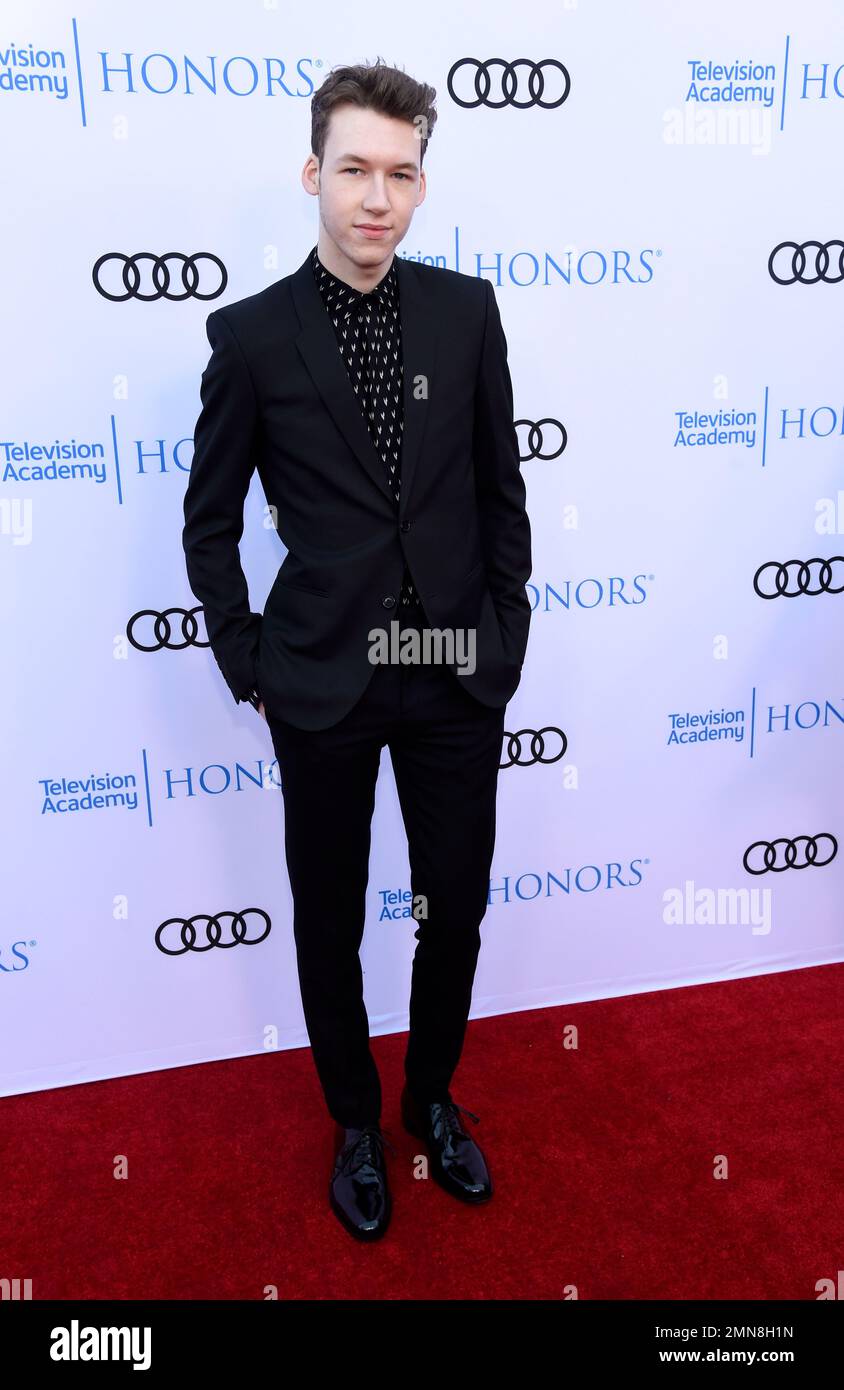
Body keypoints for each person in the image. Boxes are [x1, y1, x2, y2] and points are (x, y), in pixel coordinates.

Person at [181, 57, 532, 1242]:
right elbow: (210, 521)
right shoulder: (252, 338)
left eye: (400, 173)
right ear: (312, 173)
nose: (375, 197)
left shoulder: (466, 311)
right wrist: (249, 663)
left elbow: (500, 491)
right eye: (353, 171)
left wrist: (504, 632)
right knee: (329, 918)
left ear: (421, 183)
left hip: (452, 675)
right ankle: (352, 1121)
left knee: (455, 909)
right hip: (322, 681)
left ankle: (431, 1100)